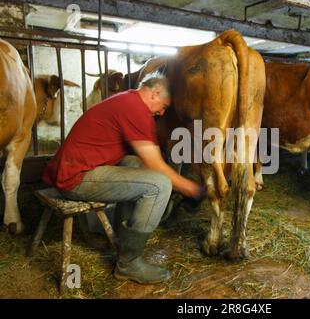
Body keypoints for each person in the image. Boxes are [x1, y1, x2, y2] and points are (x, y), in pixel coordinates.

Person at [42, 73, 205, 284]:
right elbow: (155, 164)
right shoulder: (135, 109)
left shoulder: (126, 99)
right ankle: (129, 263)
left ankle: (122, 239)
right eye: (164, 106)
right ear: (154, 93)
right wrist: (192, 189)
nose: (162, 113)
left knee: (135, 164)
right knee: (159, 184)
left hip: (78, 169)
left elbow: (145, 162)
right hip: (75, 178)